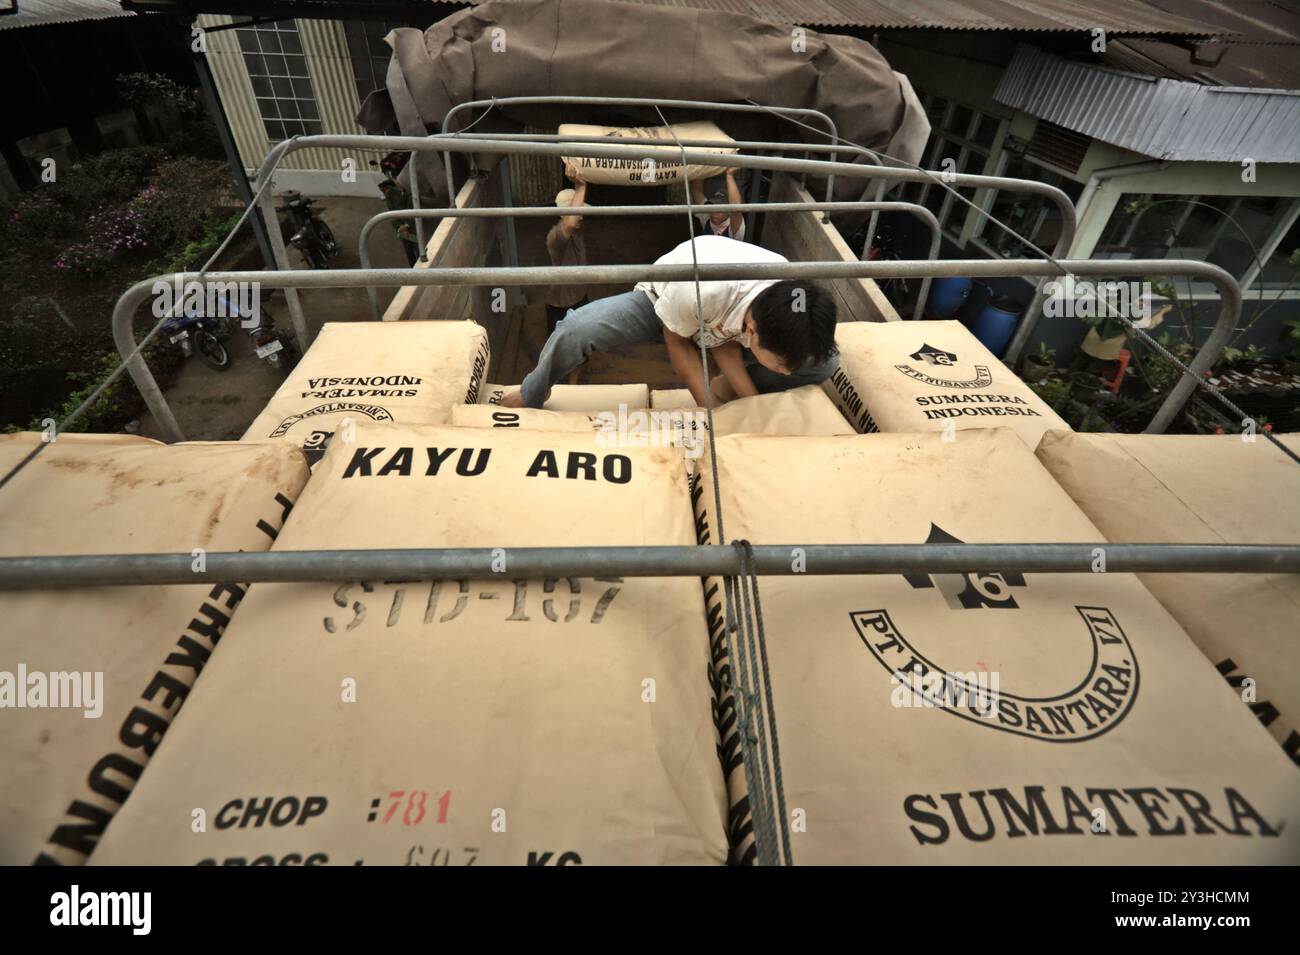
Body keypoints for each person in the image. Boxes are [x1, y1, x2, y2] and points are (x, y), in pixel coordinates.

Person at [498, 234, 837, 409]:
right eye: (778, 366)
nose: (783, 371)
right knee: (575, 329)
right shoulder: (702, 291)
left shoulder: (784, 296)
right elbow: (678, 342)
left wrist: (751, 406)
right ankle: (531, 393)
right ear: (754, 331)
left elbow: (726, 345)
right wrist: (711, 413)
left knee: (826, 364)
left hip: (720, 321)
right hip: (666, 305)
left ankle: (730, 387)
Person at [545, 166, 590, 334]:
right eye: (578, 212)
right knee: (561, 349)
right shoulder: (555, 236)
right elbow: (570, 223)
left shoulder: (577, 232)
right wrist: (581, 187)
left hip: (579, 297)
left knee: (581, 343)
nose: (581, 217)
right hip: (561, 305)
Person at [690, 167, 745, 241]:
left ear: (729, 211)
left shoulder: (734, 226)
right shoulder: (707, 217)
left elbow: (736, 208)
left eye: (720, 209)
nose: (714, 213)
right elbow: (697, 191)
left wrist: (729, 175)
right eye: (713, 207)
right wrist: (701, 167)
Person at [378, 179, 420, 266]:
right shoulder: (394, 197)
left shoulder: (406, 197)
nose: (385, 193)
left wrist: (405, 226)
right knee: (411, 251)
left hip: (412, 228)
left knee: (417, 249)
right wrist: (401, 227)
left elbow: (412, 213)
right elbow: (393, 216)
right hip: (404, 229)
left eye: (384, 190)